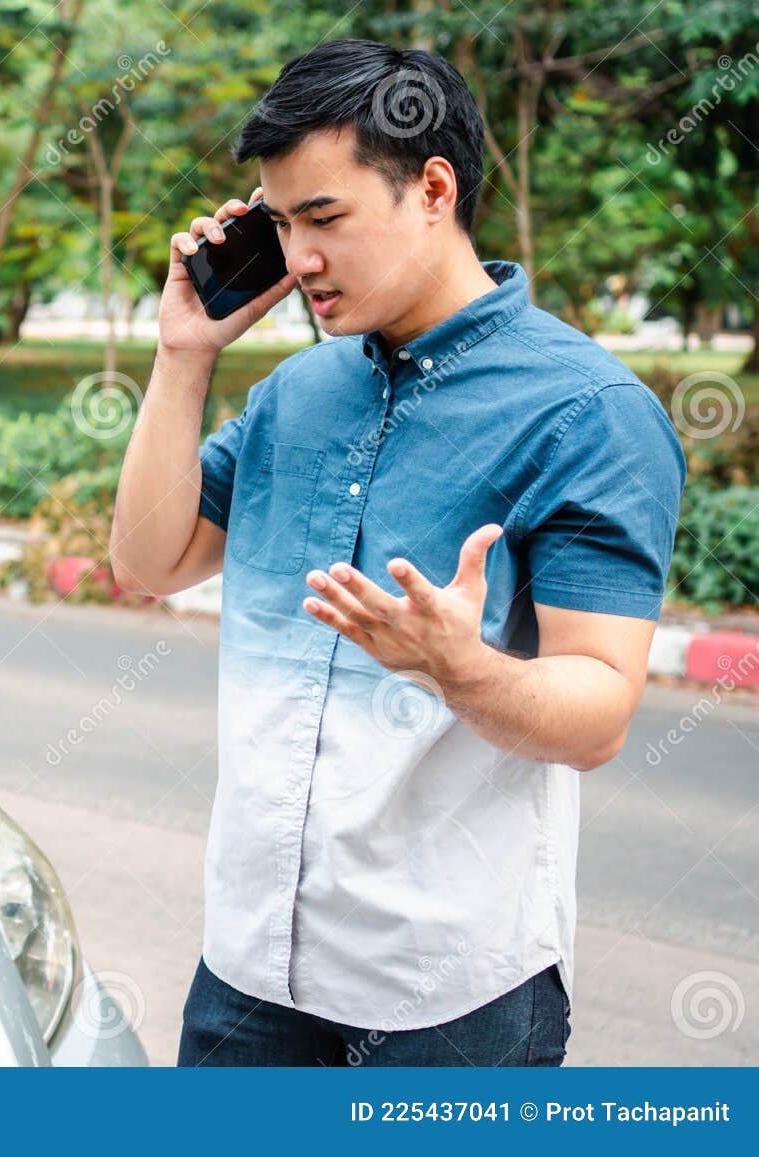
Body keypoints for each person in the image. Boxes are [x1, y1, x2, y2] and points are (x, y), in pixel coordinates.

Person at [108, 38, 687, 1066]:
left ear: (432, 187)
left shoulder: (588, 413)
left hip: (447, 991)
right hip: (248, 963)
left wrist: (456, 666)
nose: (296, 262)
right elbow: (151, 562)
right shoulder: (296, 390)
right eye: (279, 225)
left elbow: (598, 711)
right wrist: (182, 353)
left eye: (323, 218)